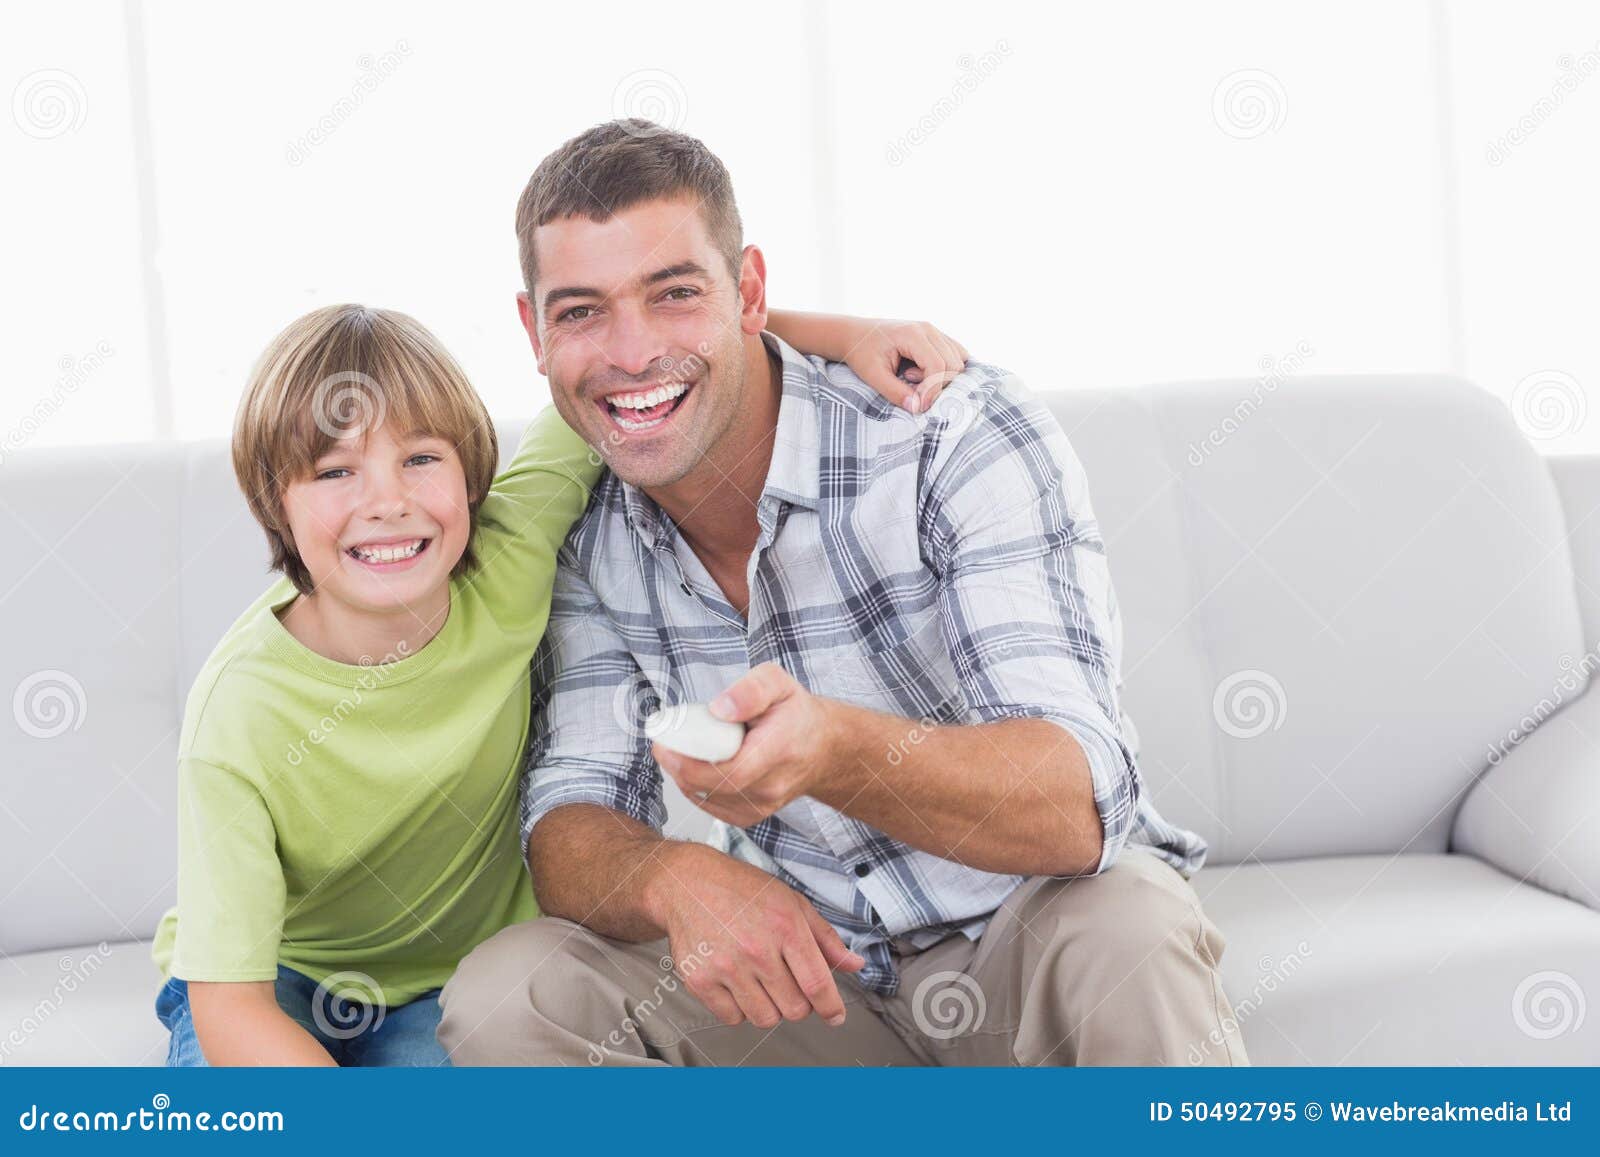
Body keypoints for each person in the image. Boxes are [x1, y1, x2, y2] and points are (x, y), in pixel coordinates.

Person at [436, 120, 1248, 1067]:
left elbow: (1080, 806)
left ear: (750, 293)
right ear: (534, 333)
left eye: (675, 293)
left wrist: (833, 748)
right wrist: (672, 878)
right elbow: (569, 819)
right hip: (815, 981)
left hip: (1031, 936)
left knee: (1130, 926)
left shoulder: (947, 437)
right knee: (513, 993)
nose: (632, 350)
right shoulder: (583, 529)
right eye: (582, 311)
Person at [150, 300, 967, 1066]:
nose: (388, 502)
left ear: (472, 478)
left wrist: (846, 335)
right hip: (283, 978)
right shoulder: (240, 713)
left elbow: (637, 367)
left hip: (454, 979)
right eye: (336, 472)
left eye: (421, 459)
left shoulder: (510, 551)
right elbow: (231, 1001)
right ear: (277, 502)